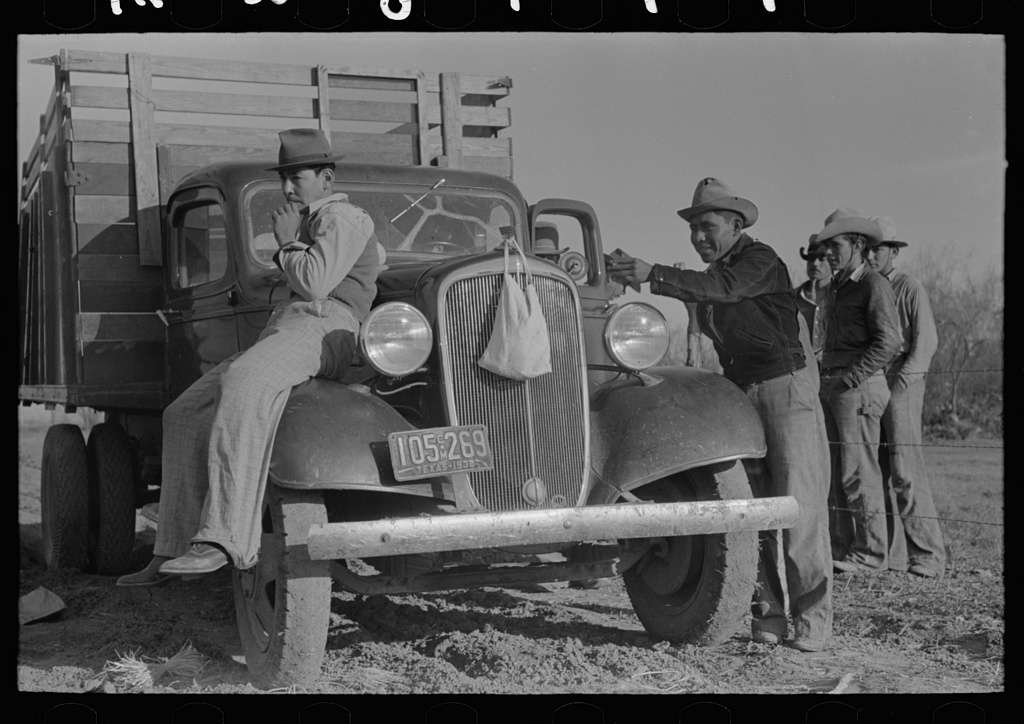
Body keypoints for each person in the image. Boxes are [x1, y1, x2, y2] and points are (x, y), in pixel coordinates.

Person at [117, 128, 384, 586]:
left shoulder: (344, 217)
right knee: (184, 412)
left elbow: (316, 284)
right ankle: (173, 548)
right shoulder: (312, 222)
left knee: (244, 382)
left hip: (326, 328)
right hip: (290, 328)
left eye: (296, 177)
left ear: (326, 176)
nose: (286, 188)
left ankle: (222, 539)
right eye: (283, 178)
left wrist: (285, 243)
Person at [606, 177, 833, 652]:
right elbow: (707, 294)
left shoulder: (758, 260)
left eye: (707, 226)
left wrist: (652, 272)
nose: (698, 237)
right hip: (740, 395)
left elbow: (722, 288)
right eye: (693, 229)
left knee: (798, 507)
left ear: (735, 224)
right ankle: (768, 617)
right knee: (753, 511)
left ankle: (813, 622)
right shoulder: (716, 274)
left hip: (783, 392)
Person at [815, 209, 902, 575]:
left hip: (859, 387)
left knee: (858, 471)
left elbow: (890, 342)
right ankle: (848, 548)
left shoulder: (873, 284)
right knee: (837, 472)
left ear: (857, 245)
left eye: (835, 246)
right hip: (837, 385)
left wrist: (850, 379)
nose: (828, 254)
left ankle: (870, 554)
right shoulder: (838, 286)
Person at [866, 217, 945, 578]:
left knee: (905, 470)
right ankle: (891, 555)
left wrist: (901, 386)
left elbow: (925, 343)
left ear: (893, 252)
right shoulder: (866, 288)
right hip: (873, 383)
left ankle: (928, 554)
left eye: (878, 249)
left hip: (901, 383)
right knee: (874, 470)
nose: (871, 255)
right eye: (866, 248)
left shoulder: (907, 287)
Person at [795, 234, 833, 363]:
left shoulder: (844, 296)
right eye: (811, 259)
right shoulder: (793, 298)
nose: (815, 264)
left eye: (822, 259)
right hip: (803, 370)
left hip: (836, 371)